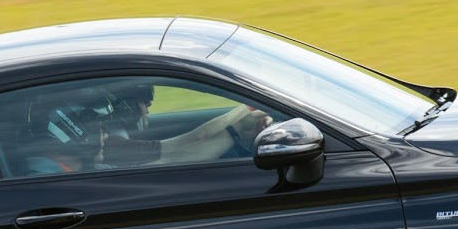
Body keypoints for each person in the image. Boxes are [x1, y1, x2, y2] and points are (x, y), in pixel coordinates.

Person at [16, 81, 272, 175]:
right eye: (99, 129)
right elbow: (174, 152)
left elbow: (170, 158)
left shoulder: (84, 167)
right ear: (74, 134)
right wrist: (243, 115)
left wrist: (238, 131)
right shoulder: (49, 176)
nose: (105, 135)